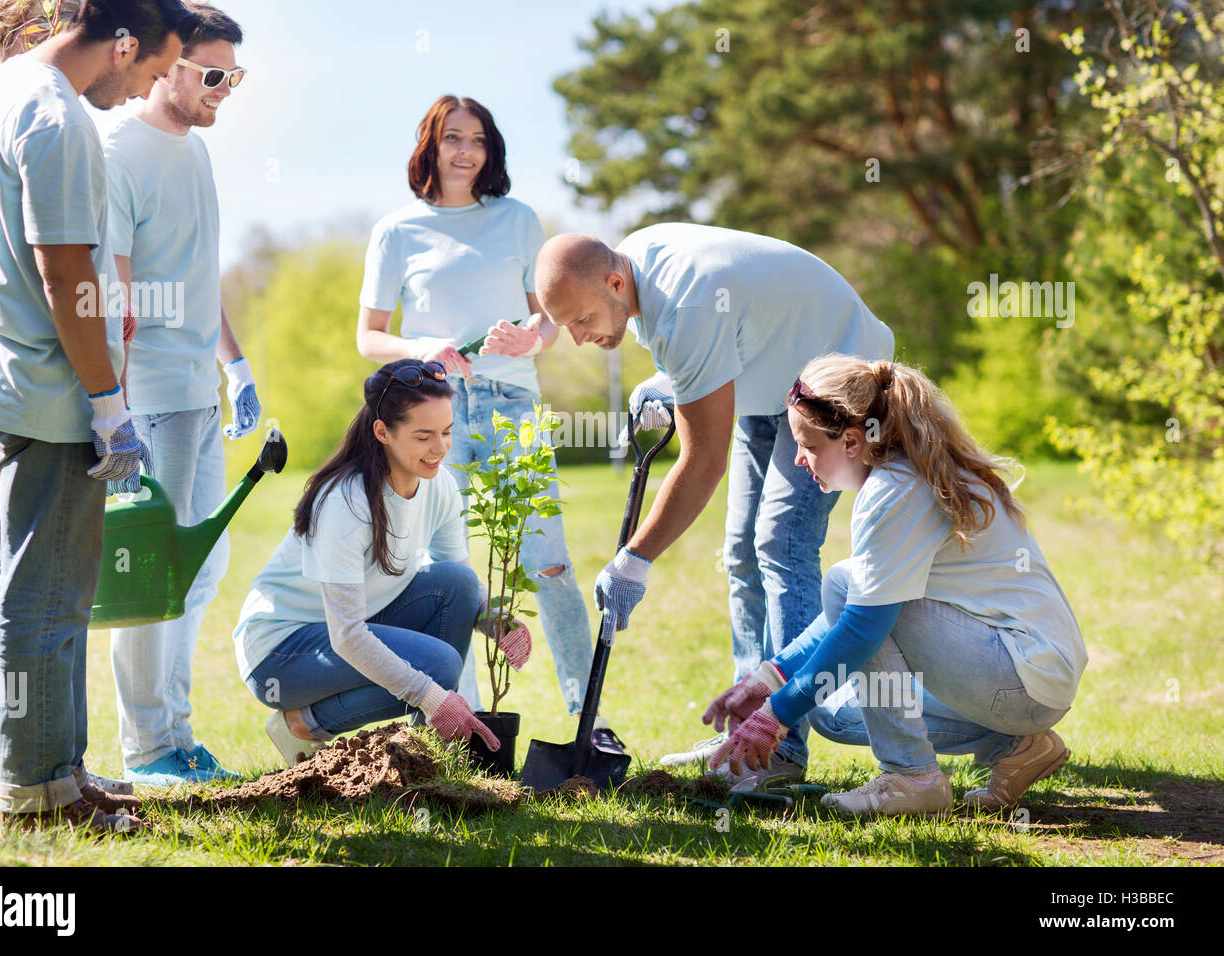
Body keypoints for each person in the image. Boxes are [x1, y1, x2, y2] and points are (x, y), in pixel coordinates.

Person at [0, 0, 198, 834]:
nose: (152, 86)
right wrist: (111, 405)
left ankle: (28, 769)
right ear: (121, 46)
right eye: (155, 70)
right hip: (48, 393)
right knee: (48, 596)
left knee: (20, 583)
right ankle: (43, 794)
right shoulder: (59, 116)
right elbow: (65, 272)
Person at [534, 225, 894, 783]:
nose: (579, 339)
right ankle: (742, 732)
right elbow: (712, 343)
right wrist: (667, 381)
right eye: (567, 327)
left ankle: (781, 747)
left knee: (781, 540)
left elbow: (703, 462)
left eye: (581, 320)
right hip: (770, 372)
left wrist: (635, 558)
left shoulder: (686, 308)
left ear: (613, 280)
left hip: (836, 372)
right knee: (741, 552)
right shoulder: (634, 266)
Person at [706, 355, 1087, 815]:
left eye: (807, 444)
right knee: (831, 710)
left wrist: (774, 717)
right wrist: (771, 677)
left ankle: (912, 778)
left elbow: (862, 627)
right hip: (1022, 681)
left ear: (850, 441)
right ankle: (1019, 747)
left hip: (1021, 673)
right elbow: (851, 620)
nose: (798, 458)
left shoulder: (896, 489)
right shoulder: (903, 473)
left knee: (849, 593)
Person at [357, 95, 621, 748]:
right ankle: (460, 720)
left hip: (512, 410)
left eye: (478, 139)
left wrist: (530, 340)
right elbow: (369, 338)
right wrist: (424, 350)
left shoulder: (518, 220)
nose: (466, 150)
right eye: (453, 138)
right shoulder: (397, 230)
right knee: (444, 568)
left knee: (549, 561)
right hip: (430, 413)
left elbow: (549, 320)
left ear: (491, 149)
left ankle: (585, 722)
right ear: (431, 145)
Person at [104, 1, 258, 786]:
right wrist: (115, 410)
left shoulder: (193, 152)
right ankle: (148, 749)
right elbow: (115, 294)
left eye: (235, 75)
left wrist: (236, 365)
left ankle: (179, 735)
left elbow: (199, 279)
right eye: (213, 73)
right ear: (168, 61)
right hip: (150, 401)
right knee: (149, 576)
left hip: (199, 393)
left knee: (201, 566)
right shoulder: (120, 150)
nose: (225, 88)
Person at [233, 360, 531, 765]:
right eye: (424, 436)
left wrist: (495, 617)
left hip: (349, 626)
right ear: (382, 431)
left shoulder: (437, 483)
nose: (441, 448)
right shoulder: (345, 502)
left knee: (458, 583)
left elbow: (462, 578)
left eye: (446, 432)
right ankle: (303, 723)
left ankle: (428, 745)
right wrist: (429, 694)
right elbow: (348, 636)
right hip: (281, 653)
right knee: (439, 667)